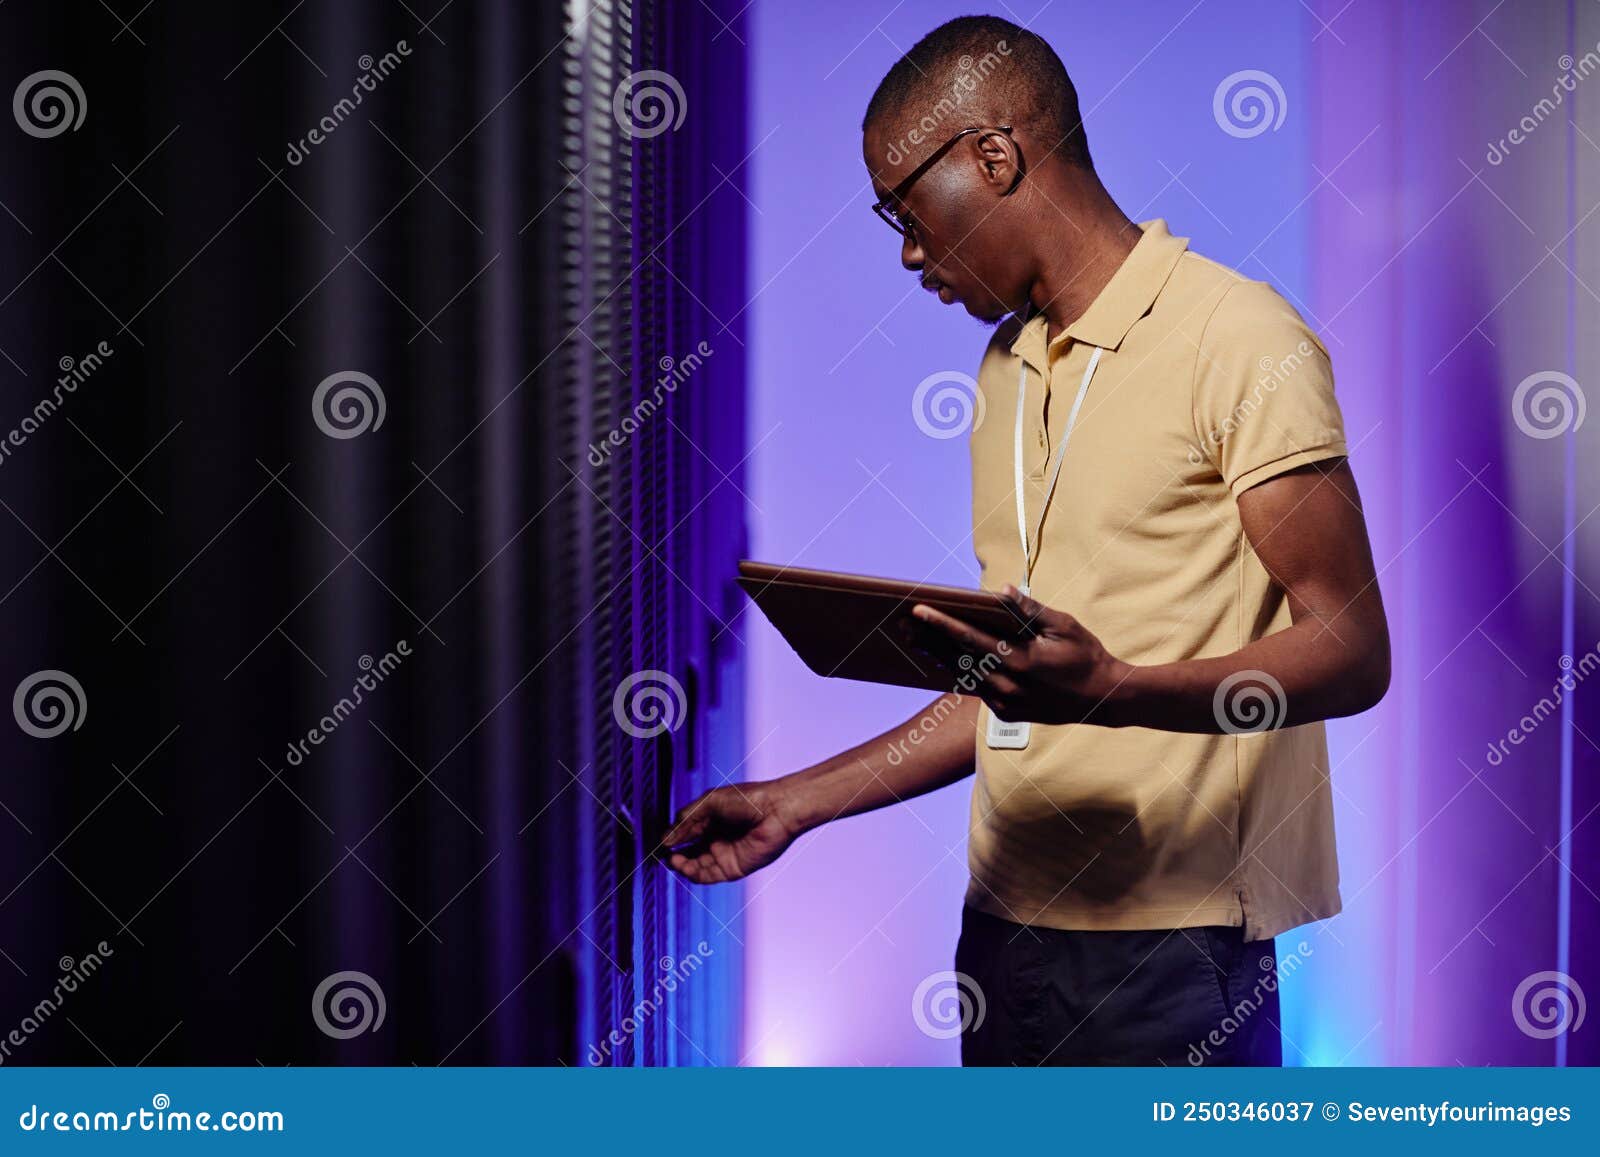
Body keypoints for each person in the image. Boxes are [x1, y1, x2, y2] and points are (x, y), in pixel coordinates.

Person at [661, 14, 1390, 1066]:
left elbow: (1351, 646)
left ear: (993, 156)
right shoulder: (1007, 366)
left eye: (906, 210)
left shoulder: (1241, 340)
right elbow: (1015, 689)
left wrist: (1113, 689)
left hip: (1172, 961)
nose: (911, 251)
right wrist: (796, 803)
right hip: (1001, 935)